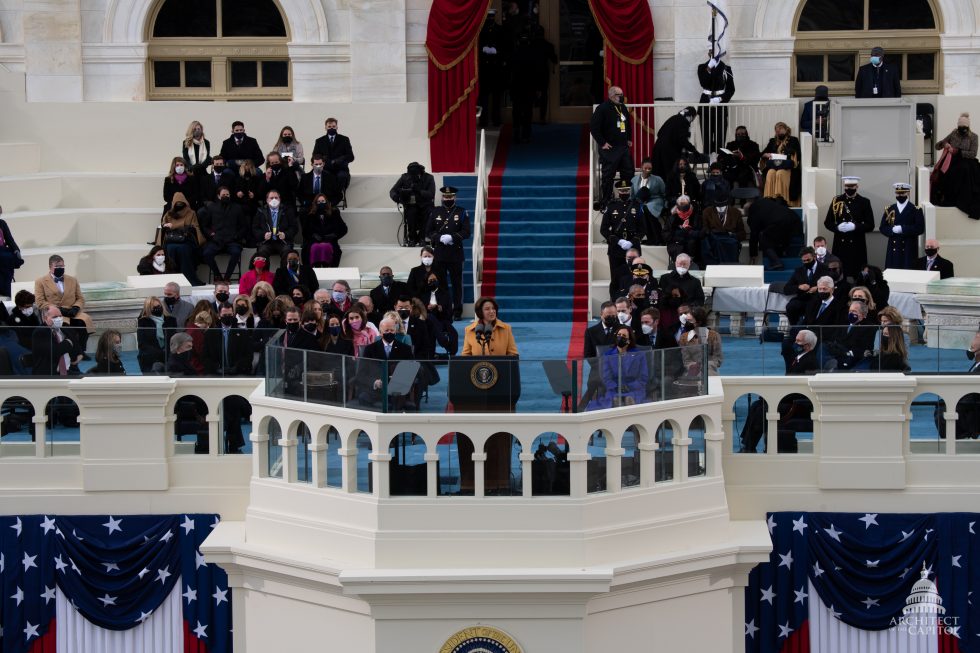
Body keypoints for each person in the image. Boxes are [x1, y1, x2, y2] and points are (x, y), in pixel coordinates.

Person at [34, 255, 94, 356]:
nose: (60, 269)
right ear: (50, 267)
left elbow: (80, 298)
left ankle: (81, 351)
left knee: (84, 322)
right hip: (55, 313)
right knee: (67, 329)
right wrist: (56, 309)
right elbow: (39, 301)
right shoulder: (41, 281)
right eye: (57, 267)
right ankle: (72, 352)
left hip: (72, 311)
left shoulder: (72, 280)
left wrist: (76, 307)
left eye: (62, 266)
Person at [426, 186, 470, 320]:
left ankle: (457, 311)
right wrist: (439, 238)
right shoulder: (435, 211)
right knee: (442, 284)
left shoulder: (462, 212)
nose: (448, 199)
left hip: (455, 254)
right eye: (446, 197)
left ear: (455, 197)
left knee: (457, 285)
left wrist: (452, 237)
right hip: (440, 253)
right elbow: (428, 232)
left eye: (450, 197)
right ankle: (444, 310)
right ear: (442, 197)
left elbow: (466, 232)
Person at [355, 317, 417, 409]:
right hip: (376, 391)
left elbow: (412, 372)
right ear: (380, 332)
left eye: (392, 330)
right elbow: (361, 374)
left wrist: (399, 378)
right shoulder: (370, 349)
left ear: (395, 331)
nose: (389, 333)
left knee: (401, 402)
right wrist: (375, 382)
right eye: (386, 330)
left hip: (397, 391)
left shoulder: (405, 349)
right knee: (363, 397)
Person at [590, 85, 634, 210]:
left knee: (628, 171)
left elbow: (627, 124)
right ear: (611, 96)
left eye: (622, 95)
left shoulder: (622, 107)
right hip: (610, 149)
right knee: (608, 175)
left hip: (623, 147)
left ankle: (625, 196)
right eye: (619, 95)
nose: (621, 97)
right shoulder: (602, 108)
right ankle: (607, 199)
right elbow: (594, 127)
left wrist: (629, 138)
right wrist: (602, 143)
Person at [601, 180, 646, 299]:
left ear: (630, 190)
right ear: (618, 191)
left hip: (633, 247)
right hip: (616, 248)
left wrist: (633, 241)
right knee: (616, 277)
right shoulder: (611, 206)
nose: (624, 192)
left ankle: (636, 298)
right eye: (622, 190)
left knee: (636, 275)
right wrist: (618, 241)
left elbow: (643, 229)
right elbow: (604, 229)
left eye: (626, 190)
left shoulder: (637, 205)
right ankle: (616, 301)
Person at [824, 176, 875, 280]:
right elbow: (828, 222)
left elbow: (870, 225)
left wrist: (855, 226)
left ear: (857, 186)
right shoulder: (836, 200)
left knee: (858, 275)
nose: (849, 189)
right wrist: (837, 227)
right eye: (847, 186)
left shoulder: (864, 202)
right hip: (840, 244)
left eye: (852, 187)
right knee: (839, 274)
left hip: (857, 244)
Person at [931, 113, 980, 219]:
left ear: (968, 126)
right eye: (960, 126)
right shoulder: (954, 133)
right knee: (948, 172)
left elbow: (973, 153)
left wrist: (957, 151)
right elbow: (938, 145)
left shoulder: (974, 137)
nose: (962, 129)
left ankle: (963, 199)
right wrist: (944, 144)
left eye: (964, 127)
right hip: (953, 161)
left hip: (967, 162)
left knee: (965, 171)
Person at [587, 325, 648, 410]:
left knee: (629, 400)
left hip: (634, 389)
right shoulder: (607, 355)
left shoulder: (639, 355)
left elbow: (643, 377)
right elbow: (606, 378)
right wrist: (616, 387)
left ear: (629, 341)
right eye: (619, 335)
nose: (620, 337)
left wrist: (630, 386)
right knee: (616, 401)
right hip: (614, 390)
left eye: (624, 336)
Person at [198, 185, 248, 283]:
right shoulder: (212, 208)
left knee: (236, 252)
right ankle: (218, 276)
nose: (226, 196)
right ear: (218, 196)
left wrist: (236, 236)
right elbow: (205, 226)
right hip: (216, 240)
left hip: (232, 241)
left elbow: (243, 226)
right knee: (207, 253)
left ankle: (227, 278)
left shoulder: (237, 208)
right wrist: (212, 234)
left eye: (227, 194)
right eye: (223, 194)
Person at [155, 191, 204, 285]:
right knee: (170, 249)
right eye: (177, 203)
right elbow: (162, 226)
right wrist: (166, 225)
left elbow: (195, 227)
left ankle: (188, 279)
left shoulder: (191, 213)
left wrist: (176, 226)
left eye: (181, 203)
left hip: (186, 240)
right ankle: (172, 279)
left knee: (183, 249)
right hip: (171, 240)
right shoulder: (169, 213)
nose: (179, 205)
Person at [746, 193, 799, 271]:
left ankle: (776, 262)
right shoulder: (766, 202)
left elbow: (754, 233)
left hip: (779, 222)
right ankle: (782, 253)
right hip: (793, 218)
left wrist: (753, 254)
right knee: (773, 233)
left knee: (763, 236)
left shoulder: (754, 211)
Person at [697, 51, 735, 155]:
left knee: (720, 138)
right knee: (706, 138)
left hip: (720, 106)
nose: (712, 53)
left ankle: (719, 164)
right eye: (711, 51)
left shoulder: (726, 69)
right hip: (706, 105)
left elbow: (731, 89)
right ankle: (709, 165)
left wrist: (720, 99)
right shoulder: (702, 67)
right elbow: (703, 83)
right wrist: (708, 68)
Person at [880, 182, 925, 270]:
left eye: (902, 193)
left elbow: (920, 228)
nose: (900, 195)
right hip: (893, 247)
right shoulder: (890, 208)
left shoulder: (915, 209)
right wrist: (891, 230)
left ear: (908, 193)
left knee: (908, 272)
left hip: (908, 248)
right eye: (898, 193)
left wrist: (903, 229)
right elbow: (883, 227)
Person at [389, 162, 436, 247]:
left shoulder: (429, 178)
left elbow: (431, 194)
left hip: (425, 204)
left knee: (427, 212)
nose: (414, 176)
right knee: (411, 213)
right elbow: (392, 191)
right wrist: (396, 197)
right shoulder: (405, 177)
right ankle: (412, 239)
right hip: (411, 204)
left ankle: (422, 238)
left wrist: (419, 191)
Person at [650, 106, 700, 181]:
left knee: (659, 175)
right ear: (692, 116)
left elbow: (659, 133)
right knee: (670, 175)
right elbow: (682, 140)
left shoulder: (673, 118)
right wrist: (693, 150)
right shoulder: (683, 122)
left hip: (658, 148)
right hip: (668, 152)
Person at [32, 305, 81, 376]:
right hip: (50, 373)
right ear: (45, 318)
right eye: (55, 317)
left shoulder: (65, 327)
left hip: (70, 370)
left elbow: (78, 349)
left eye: (60, 316)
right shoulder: (40, 332)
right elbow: (54, 351)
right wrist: (68, 342)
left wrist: (78, 356)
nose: (59, 319)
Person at [760, 122, 801, 206]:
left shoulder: (793, 140)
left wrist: (786, 151)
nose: (779, 132)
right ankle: (770, 198)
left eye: (781, 130)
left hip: (787, 167)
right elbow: (763, 153)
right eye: (777, 131)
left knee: (780, 173)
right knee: (770, 173)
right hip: (774, 165)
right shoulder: (772, 141)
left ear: (786, 130)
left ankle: (782, 198)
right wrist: (766, 154)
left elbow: (797, 154)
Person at [783, 247, 827, 325]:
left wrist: (818, 288)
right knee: (791, 306)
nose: (806, 262)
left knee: (812, 307)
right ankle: (794, 328)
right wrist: (799, 287)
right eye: (804, 261)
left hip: (818, 299)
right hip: (803, 299)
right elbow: (786, 289)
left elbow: (832, 284)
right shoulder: (799, 271)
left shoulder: (824, 268)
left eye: (808, 260)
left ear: (814, 257)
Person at [700, 190, 745, 265]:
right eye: (718, 205)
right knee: (716, 243)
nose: (720, 208)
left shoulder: (736, 212)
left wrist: (733, 235)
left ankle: (731, 266)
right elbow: (705, 229)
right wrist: (713, 234)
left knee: (732, 244)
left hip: (731, 240)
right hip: (714, 240)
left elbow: (742, 232)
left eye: (723, 205)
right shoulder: (707, 212)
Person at [301, 194, 347, 267]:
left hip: (330, 240)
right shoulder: (310, 215)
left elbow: (344, 229)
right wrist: (313, 236)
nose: (321, 203)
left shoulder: (334, 214)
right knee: (312, 248)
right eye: (318, 201)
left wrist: (334, 235)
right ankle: (314, 268)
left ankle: (328, 268)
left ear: (327, 202)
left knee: (330, 248)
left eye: (323, 201)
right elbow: (305, 232)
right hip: (314, 241)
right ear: (315, 203)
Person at [509, 26, 537, 144]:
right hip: (528, 86)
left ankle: (516, 133)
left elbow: (510, 71)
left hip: (517, 86)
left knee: (516, 110)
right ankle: (526, 134)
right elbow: (535, 71)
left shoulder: (514, 53)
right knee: (527, 111)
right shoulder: (532, 53)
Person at [253, 189, 298, 262]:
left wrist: (285, 234)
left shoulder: (287, 210)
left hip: (283, 242)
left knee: (287, 252)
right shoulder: (261, 211)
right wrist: (263, 235)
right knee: (261, 252)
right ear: (267, 200)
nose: (274, 200)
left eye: (276, 198)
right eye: (271, 198)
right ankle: (265, 273)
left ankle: (283, 272)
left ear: (280, 199)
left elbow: (294, 227)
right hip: (266, 242)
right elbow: (255, 228)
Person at [831, 300, 878, 370]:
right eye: (850, 311)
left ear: (863, 314)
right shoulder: (843, 324)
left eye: (854, 311)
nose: (851, 313)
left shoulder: (869, 327)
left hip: (857, 360)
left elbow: (865, 346)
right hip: (840, 358)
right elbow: (836, 341)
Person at [312, 117, 354, 194]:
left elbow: (351, 156)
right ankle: (327, 198)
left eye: (333, 126)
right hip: (325, 168)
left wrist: (340, 159)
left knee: (342, 176)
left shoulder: (344, 139)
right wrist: (326, 161)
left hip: (341, 169)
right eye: (329, 127)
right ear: (325, 127)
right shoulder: (319, 141)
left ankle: (336, 197)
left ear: (337, 127)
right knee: (323, 176)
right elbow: (314, 157)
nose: (331, 128)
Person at [477, 9, 504, 129]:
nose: (490, 19)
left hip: (496, 67)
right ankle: (483, 120)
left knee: (497, 96)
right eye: (488, 17)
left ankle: (496, 119)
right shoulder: (480, 30)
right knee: (484, 96)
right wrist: (483, 50)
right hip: (484, 67)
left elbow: (506, 46)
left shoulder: (499, 30)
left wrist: (497, 52)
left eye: (492, 17)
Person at [136, 295, 177, 374]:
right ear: (148, 309)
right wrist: (159, 353)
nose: (157, 308)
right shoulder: (143, 322)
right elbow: (142, 344)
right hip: (150, 359)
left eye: (158, 306)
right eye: (154, 307)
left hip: (168, 358)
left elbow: (173, 340)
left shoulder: (171, 320)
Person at [678, 307, 723, 376]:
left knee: (709, 375)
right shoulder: (684, 337)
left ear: (699, 321)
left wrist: (704, 366)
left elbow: (717, 359)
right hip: (692, 371)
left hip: (709, 370)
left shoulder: (714, 336)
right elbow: (686, 360)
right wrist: (694, 366)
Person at [631, 158, 666, 243]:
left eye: (649, 168)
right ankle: (650, 238)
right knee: (642, 209)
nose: (647, 170)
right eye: (645, 168)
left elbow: (664, 193)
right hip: (640, 202)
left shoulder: (658, 179)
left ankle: (658, 237)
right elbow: (632, 195)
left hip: (655, 201)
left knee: (647, 208)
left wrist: (666, 205)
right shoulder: (634, 180)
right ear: (641, 167)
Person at [666, 195, 701, 266]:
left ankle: (691, 264)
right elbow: (666, 235)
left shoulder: (696, 216)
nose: (684, 215)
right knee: (678, 248)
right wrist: (681, 232)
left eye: (686, 213)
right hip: (676, 242)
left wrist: (689, 231)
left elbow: (700, 232)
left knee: (693, 244)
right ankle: (678, 264)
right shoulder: (672, 218)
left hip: (692, 242)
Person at [0, 205, 23, 297]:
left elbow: (10, 239)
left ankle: (6, 289)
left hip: (2, 251)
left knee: (9, 258)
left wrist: (17, 250)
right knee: (5, 258)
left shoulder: (2, 223)